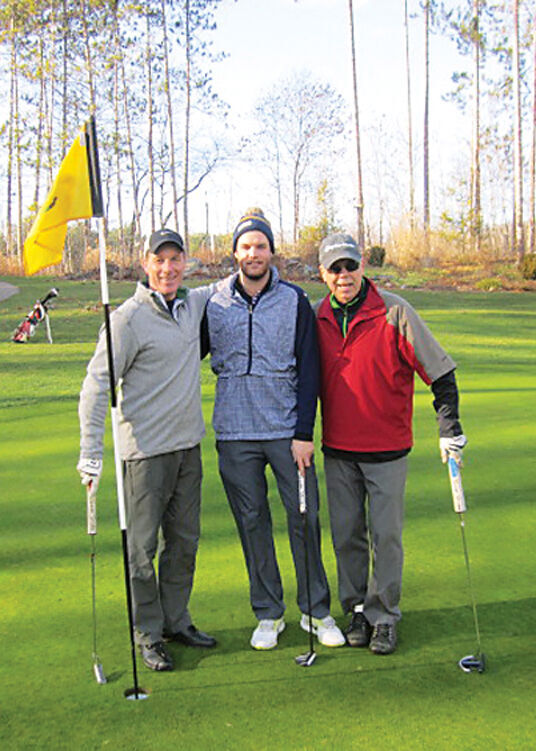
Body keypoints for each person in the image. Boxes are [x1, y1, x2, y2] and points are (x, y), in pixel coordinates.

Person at [314, 232, 467, 655]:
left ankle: (384, 616)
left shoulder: (394, 312)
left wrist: (449, 427)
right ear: (323, 274)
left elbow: (440, 372)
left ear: (362, 266)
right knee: (347, 536)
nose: (344, 275)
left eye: (350, 266)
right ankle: (356, 610)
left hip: (387, 450)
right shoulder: (316, 317)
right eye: (335, 269)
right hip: (338, 449)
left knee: (386, 537)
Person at [202, 209, 345, 650]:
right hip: (234, 433)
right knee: (252, 523)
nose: (254, 253)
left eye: (260, 246)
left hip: (286, 432)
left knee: (305, 517)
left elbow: (310, 368)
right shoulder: (213, 302)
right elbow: (182, 349)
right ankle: (268, 612)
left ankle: (316, 610)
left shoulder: (294, 300)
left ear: (271, 252)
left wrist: (304, 432)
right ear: (235, 253)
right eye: (246, 247)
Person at [78, 228, 216, 672]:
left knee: (184, 543)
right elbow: (96, 385)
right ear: (145, 264)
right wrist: (90, 451)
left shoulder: (193, 305)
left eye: (175, 259)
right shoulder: (127, 319)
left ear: (185, 263)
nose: (168, 268)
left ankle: (176, 620)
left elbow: (235, 283)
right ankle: (149, 634)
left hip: (188, 448)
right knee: (141, 552)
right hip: (145, 455)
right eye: (160, 260)